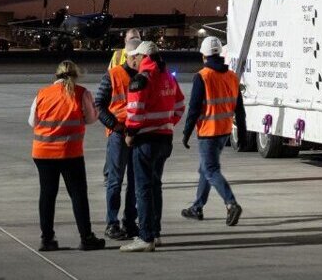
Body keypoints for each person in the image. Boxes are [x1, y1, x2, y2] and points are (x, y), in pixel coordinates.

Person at [28, 60, 105, 252]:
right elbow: (91, 118)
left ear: (56, 75)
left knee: (47, 195)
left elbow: (32, 121)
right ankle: (86, 237)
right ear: (75, 75)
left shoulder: (42, 93)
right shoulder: (81, 93)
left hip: (43, 152)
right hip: (70, 153)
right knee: (78, 194)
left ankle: (47, 239)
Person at [118, 41, 184, 253]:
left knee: (143, 188)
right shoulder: (169, 78)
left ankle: (146, 237)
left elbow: (135, 112)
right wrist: (166, 124)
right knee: (155, 186)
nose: (133, 60)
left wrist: (129, 134)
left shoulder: (142, 79)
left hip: (145, 140)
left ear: (142, 57)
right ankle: (155, 232)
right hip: (165, 139)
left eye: (135, 57)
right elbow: (180, 106)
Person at [180, 36, 246, 225]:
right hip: (224, 131)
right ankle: (197, 207)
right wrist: (241, 132)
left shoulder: (202, 76)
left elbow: (194, 109)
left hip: (208, 132)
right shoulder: (232, 77)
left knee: (210, 170)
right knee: (205, 170)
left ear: (204, 56)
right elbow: (240, 109)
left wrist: (186, 133)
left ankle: (231, 203)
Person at [94, 34, 140, 241]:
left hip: (138, 135)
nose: (142, 60)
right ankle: (112, 223)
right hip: (119, 136)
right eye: (139, 56)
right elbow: (98, 105)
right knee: (115, 181)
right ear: (130, 56)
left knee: (134, 182)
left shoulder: (144, 76)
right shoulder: (113, 75)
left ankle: (129, 222)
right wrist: (115, 126)